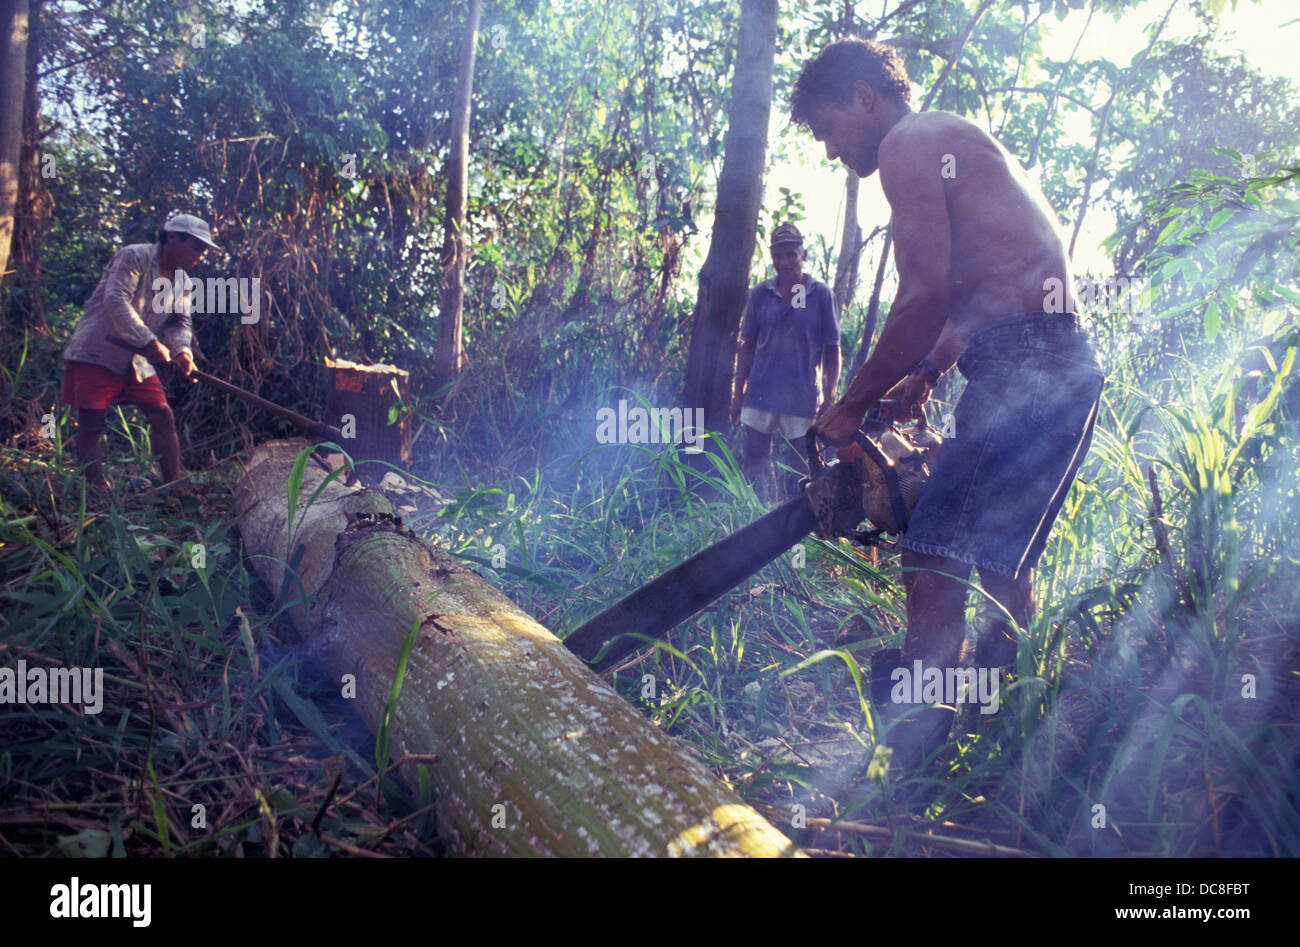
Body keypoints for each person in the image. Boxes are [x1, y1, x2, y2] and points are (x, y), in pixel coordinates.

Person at [793, 38, 1105, 770]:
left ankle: (913, 760)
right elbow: (986, 290)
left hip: (1028, 364)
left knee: (933, 551)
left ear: (865, 97)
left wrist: (849, 404)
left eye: (830, 129)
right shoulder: (950, 140)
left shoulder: (908, 143)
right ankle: (1008, 753)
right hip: (1061, 362)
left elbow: (925, 292)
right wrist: (930, 371)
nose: (834, 149)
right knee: (1000, 567)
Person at [61, 214, 218, 490]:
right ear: (172, 237)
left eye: (203, 250)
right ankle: (97, 497)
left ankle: (172, 489)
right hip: (99, 349)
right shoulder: (135, 256)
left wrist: (183, 353)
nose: (200, 256)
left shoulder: (183, 282)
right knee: (92, 425)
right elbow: (116, 299)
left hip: (137, 359)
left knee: (162, 414)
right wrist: (148, 341)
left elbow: (179, 322)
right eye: (195, 247)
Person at [730, 222, 841, 502]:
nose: (784, 262)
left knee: (801, 471)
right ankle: (752, 521)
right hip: (760, 393)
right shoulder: (761, 294)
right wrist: (737, 394)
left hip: (801, 397)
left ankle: (794, 529)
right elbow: (749, 346)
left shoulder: (820, 295)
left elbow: (832, 349)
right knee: (754, 464)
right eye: (778, 255)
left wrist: (830, 397)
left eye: (791, 254)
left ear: (803, 255)